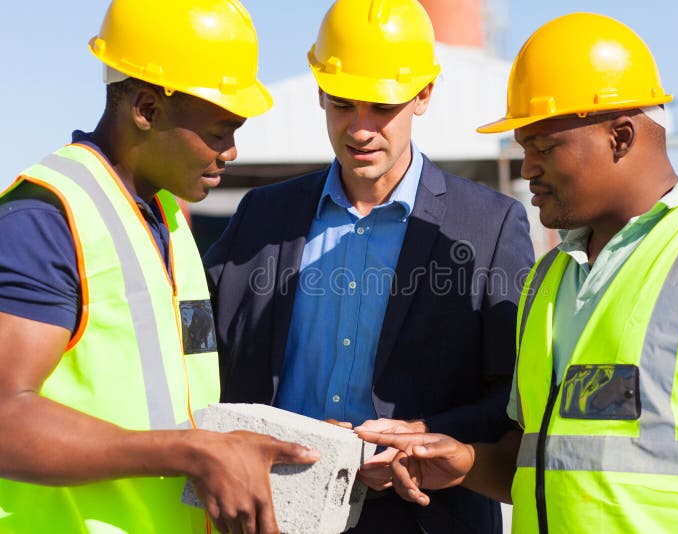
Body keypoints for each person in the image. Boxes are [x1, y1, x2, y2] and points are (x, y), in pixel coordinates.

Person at [357, 11, 678, 534]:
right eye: (523, 149)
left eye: (544, 147)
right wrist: (468, 462)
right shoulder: (550, 280)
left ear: (621, 136)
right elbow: (550, 469)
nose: (527, 170)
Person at [204, 0, 534, 531]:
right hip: (275, 512)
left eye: (381, 108)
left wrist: (417, 437)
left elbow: (514, 394)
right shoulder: (262, 217)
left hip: (428, 518)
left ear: (423, 94)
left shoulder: (489, 225)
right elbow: (204, 361)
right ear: (319, 92)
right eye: (342, 105)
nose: (360, 129)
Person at [0, 1, 320, 533]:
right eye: (220, 131)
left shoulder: (167, 218)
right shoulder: (46, 219)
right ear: (147, 108)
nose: (233, 152)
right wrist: (192, 453)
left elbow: (177, 401)